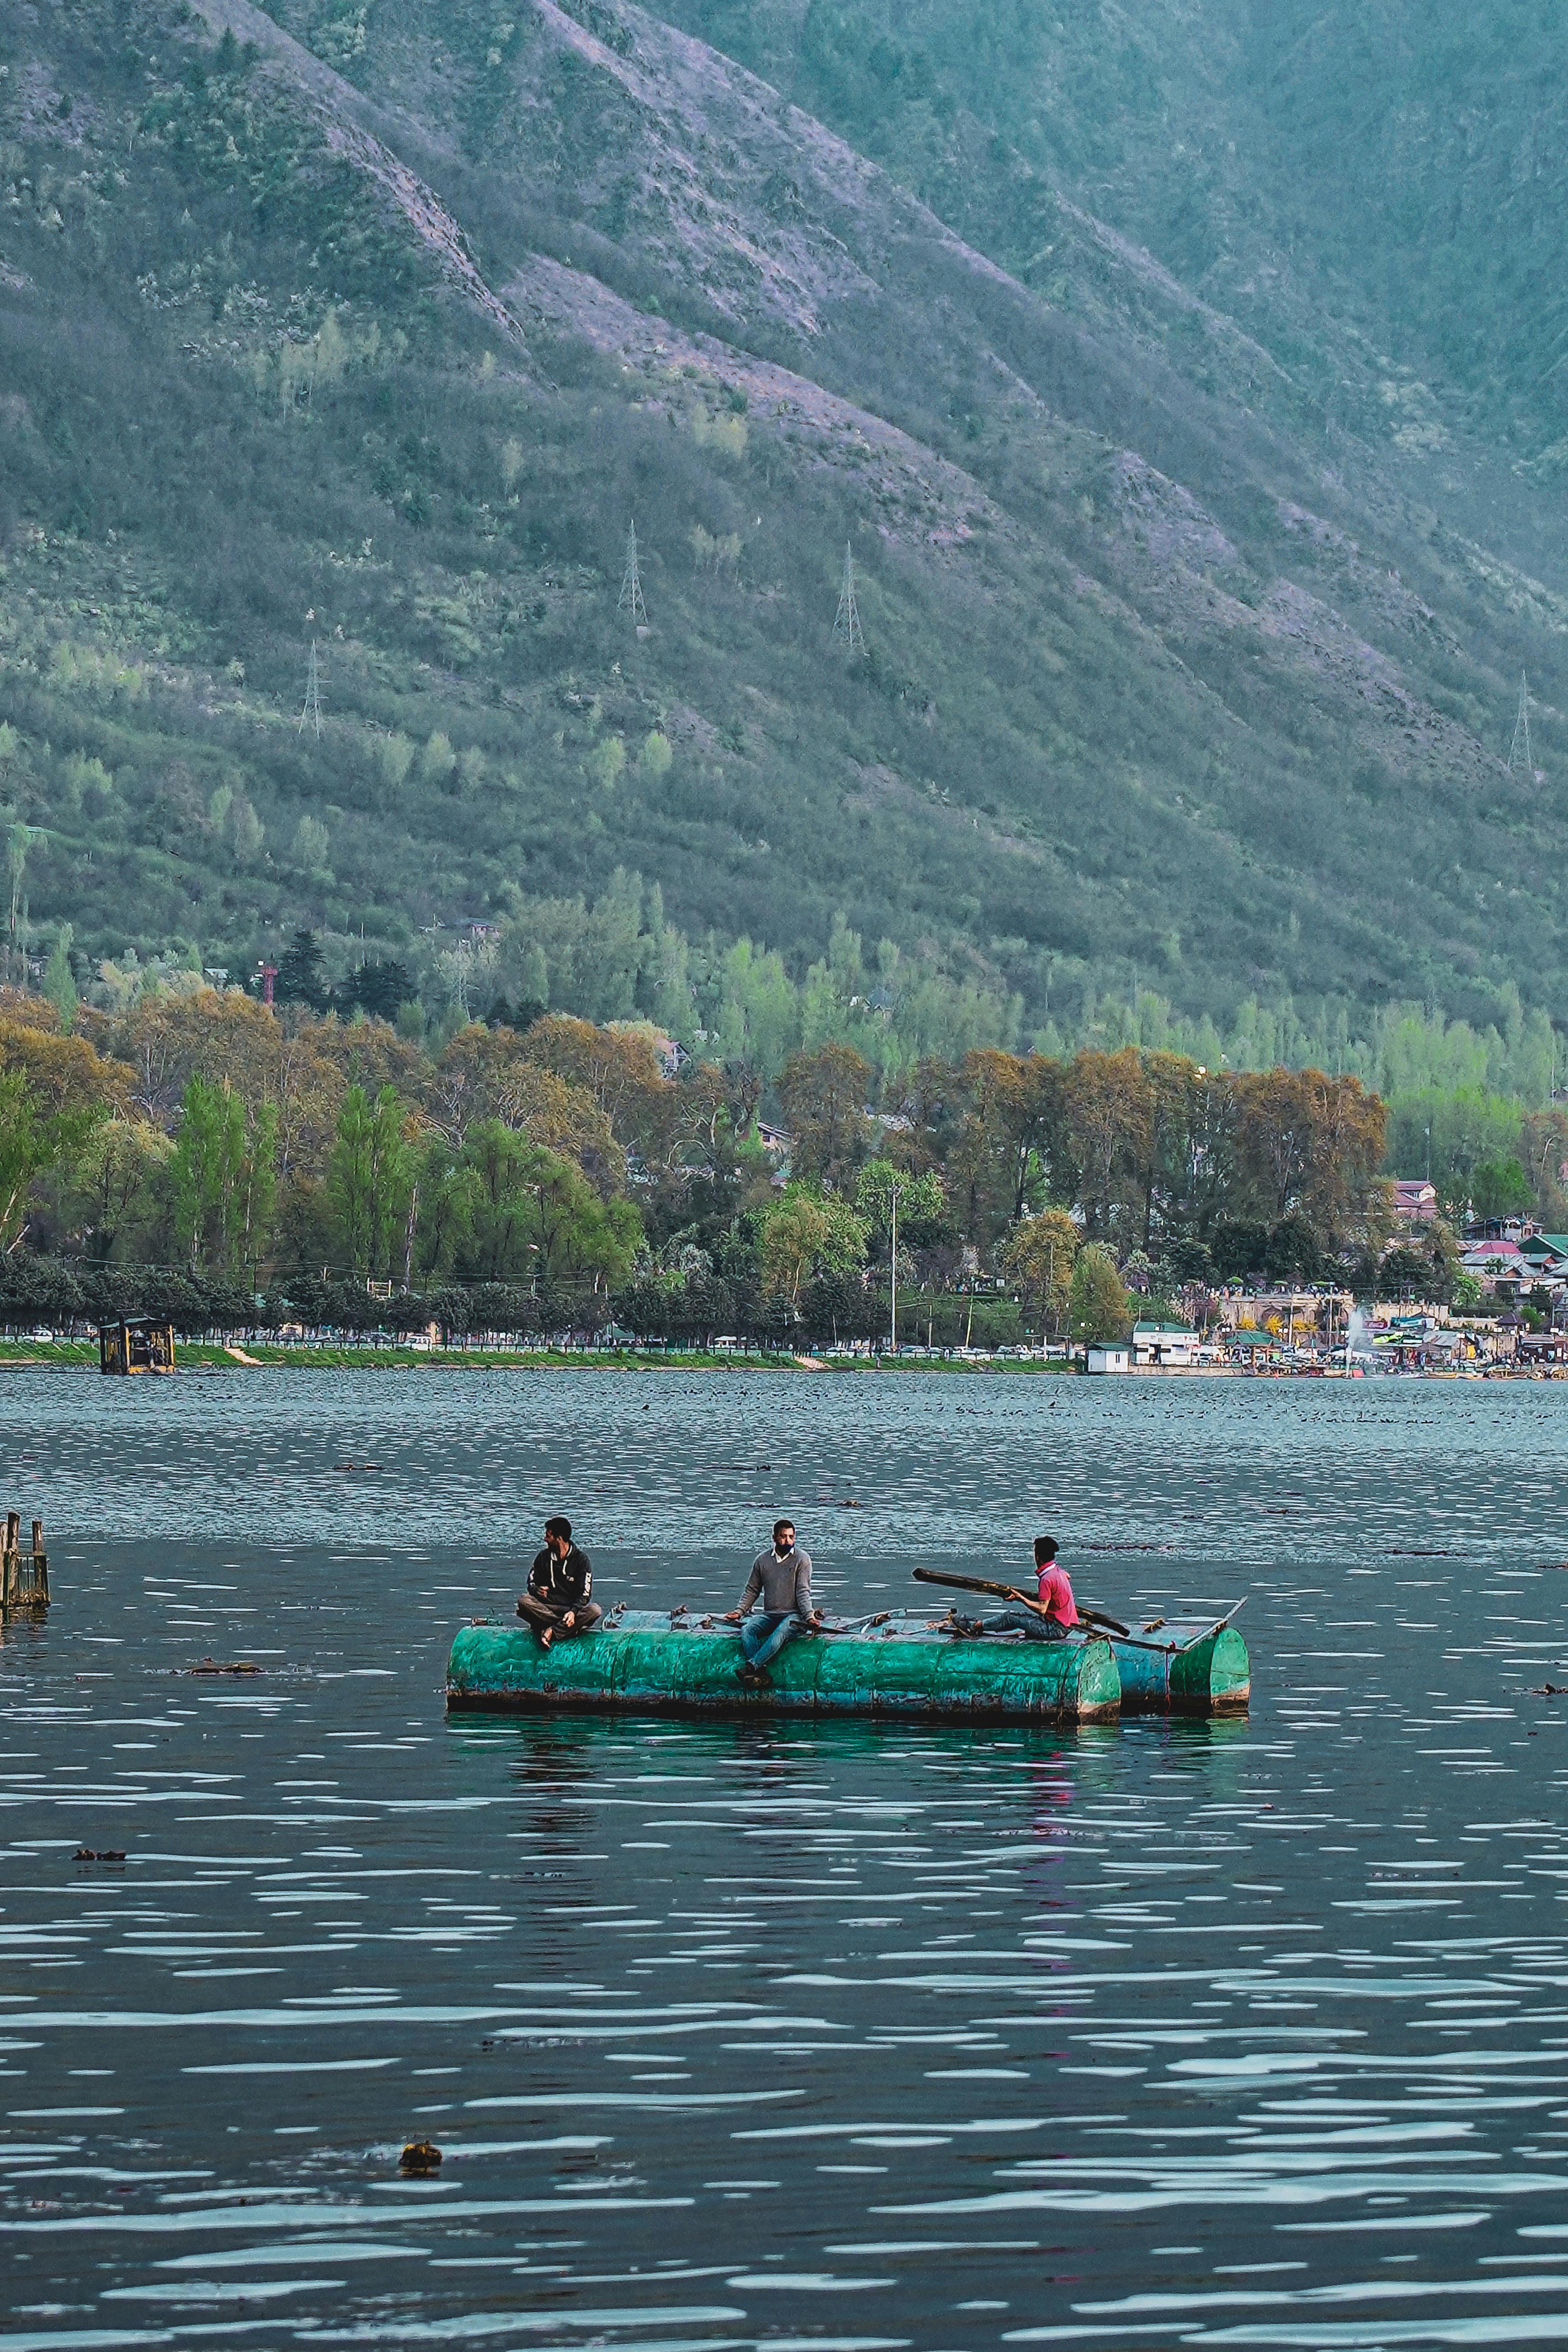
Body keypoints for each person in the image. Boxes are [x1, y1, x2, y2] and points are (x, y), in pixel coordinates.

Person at [725, 1518, 820, 1682]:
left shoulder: (802, 1559)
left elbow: (803, 1592)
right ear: (774, 1538)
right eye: (783, 1536)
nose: (788, 1541)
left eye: (791, 1537)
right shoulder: (762, 1560)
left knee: (780, 1633)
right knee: (748, 1630)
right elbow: (752, 1590)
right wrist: (739, 1612)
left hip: (795, 1616)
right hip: (770, 1615)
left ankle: (751, 1667)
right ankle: (760, 1673)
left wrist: (809, 1617)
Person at [517, 1516, 602, 1649]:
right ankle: (567, 1628)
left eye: (548, 1536)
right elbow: (531, 1583)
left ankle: (552, 1630)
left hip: (569, 1609)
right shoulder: (543, 1557)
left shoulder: (581, 1560)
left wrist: (573, 1612)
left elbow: (585, 1594)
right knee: (524, 1601)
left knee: (595, 1610)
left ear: (559, 1539)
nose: (545, 1539)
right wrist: (537, 1590)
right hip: (547, 1608)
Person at [986, 1535, 1078, 1642]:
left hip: (1056, 1630)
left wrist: (1021, 1598)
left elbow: (1042, 1609)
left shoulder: (1047, 1579)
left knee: (1010, 1617)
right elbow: (1067, 1577)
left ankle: (977, 1626)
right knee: (1024, 1618)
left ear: (1038, 1557)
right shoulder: (1061, 1573)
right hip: (1070, 1626)